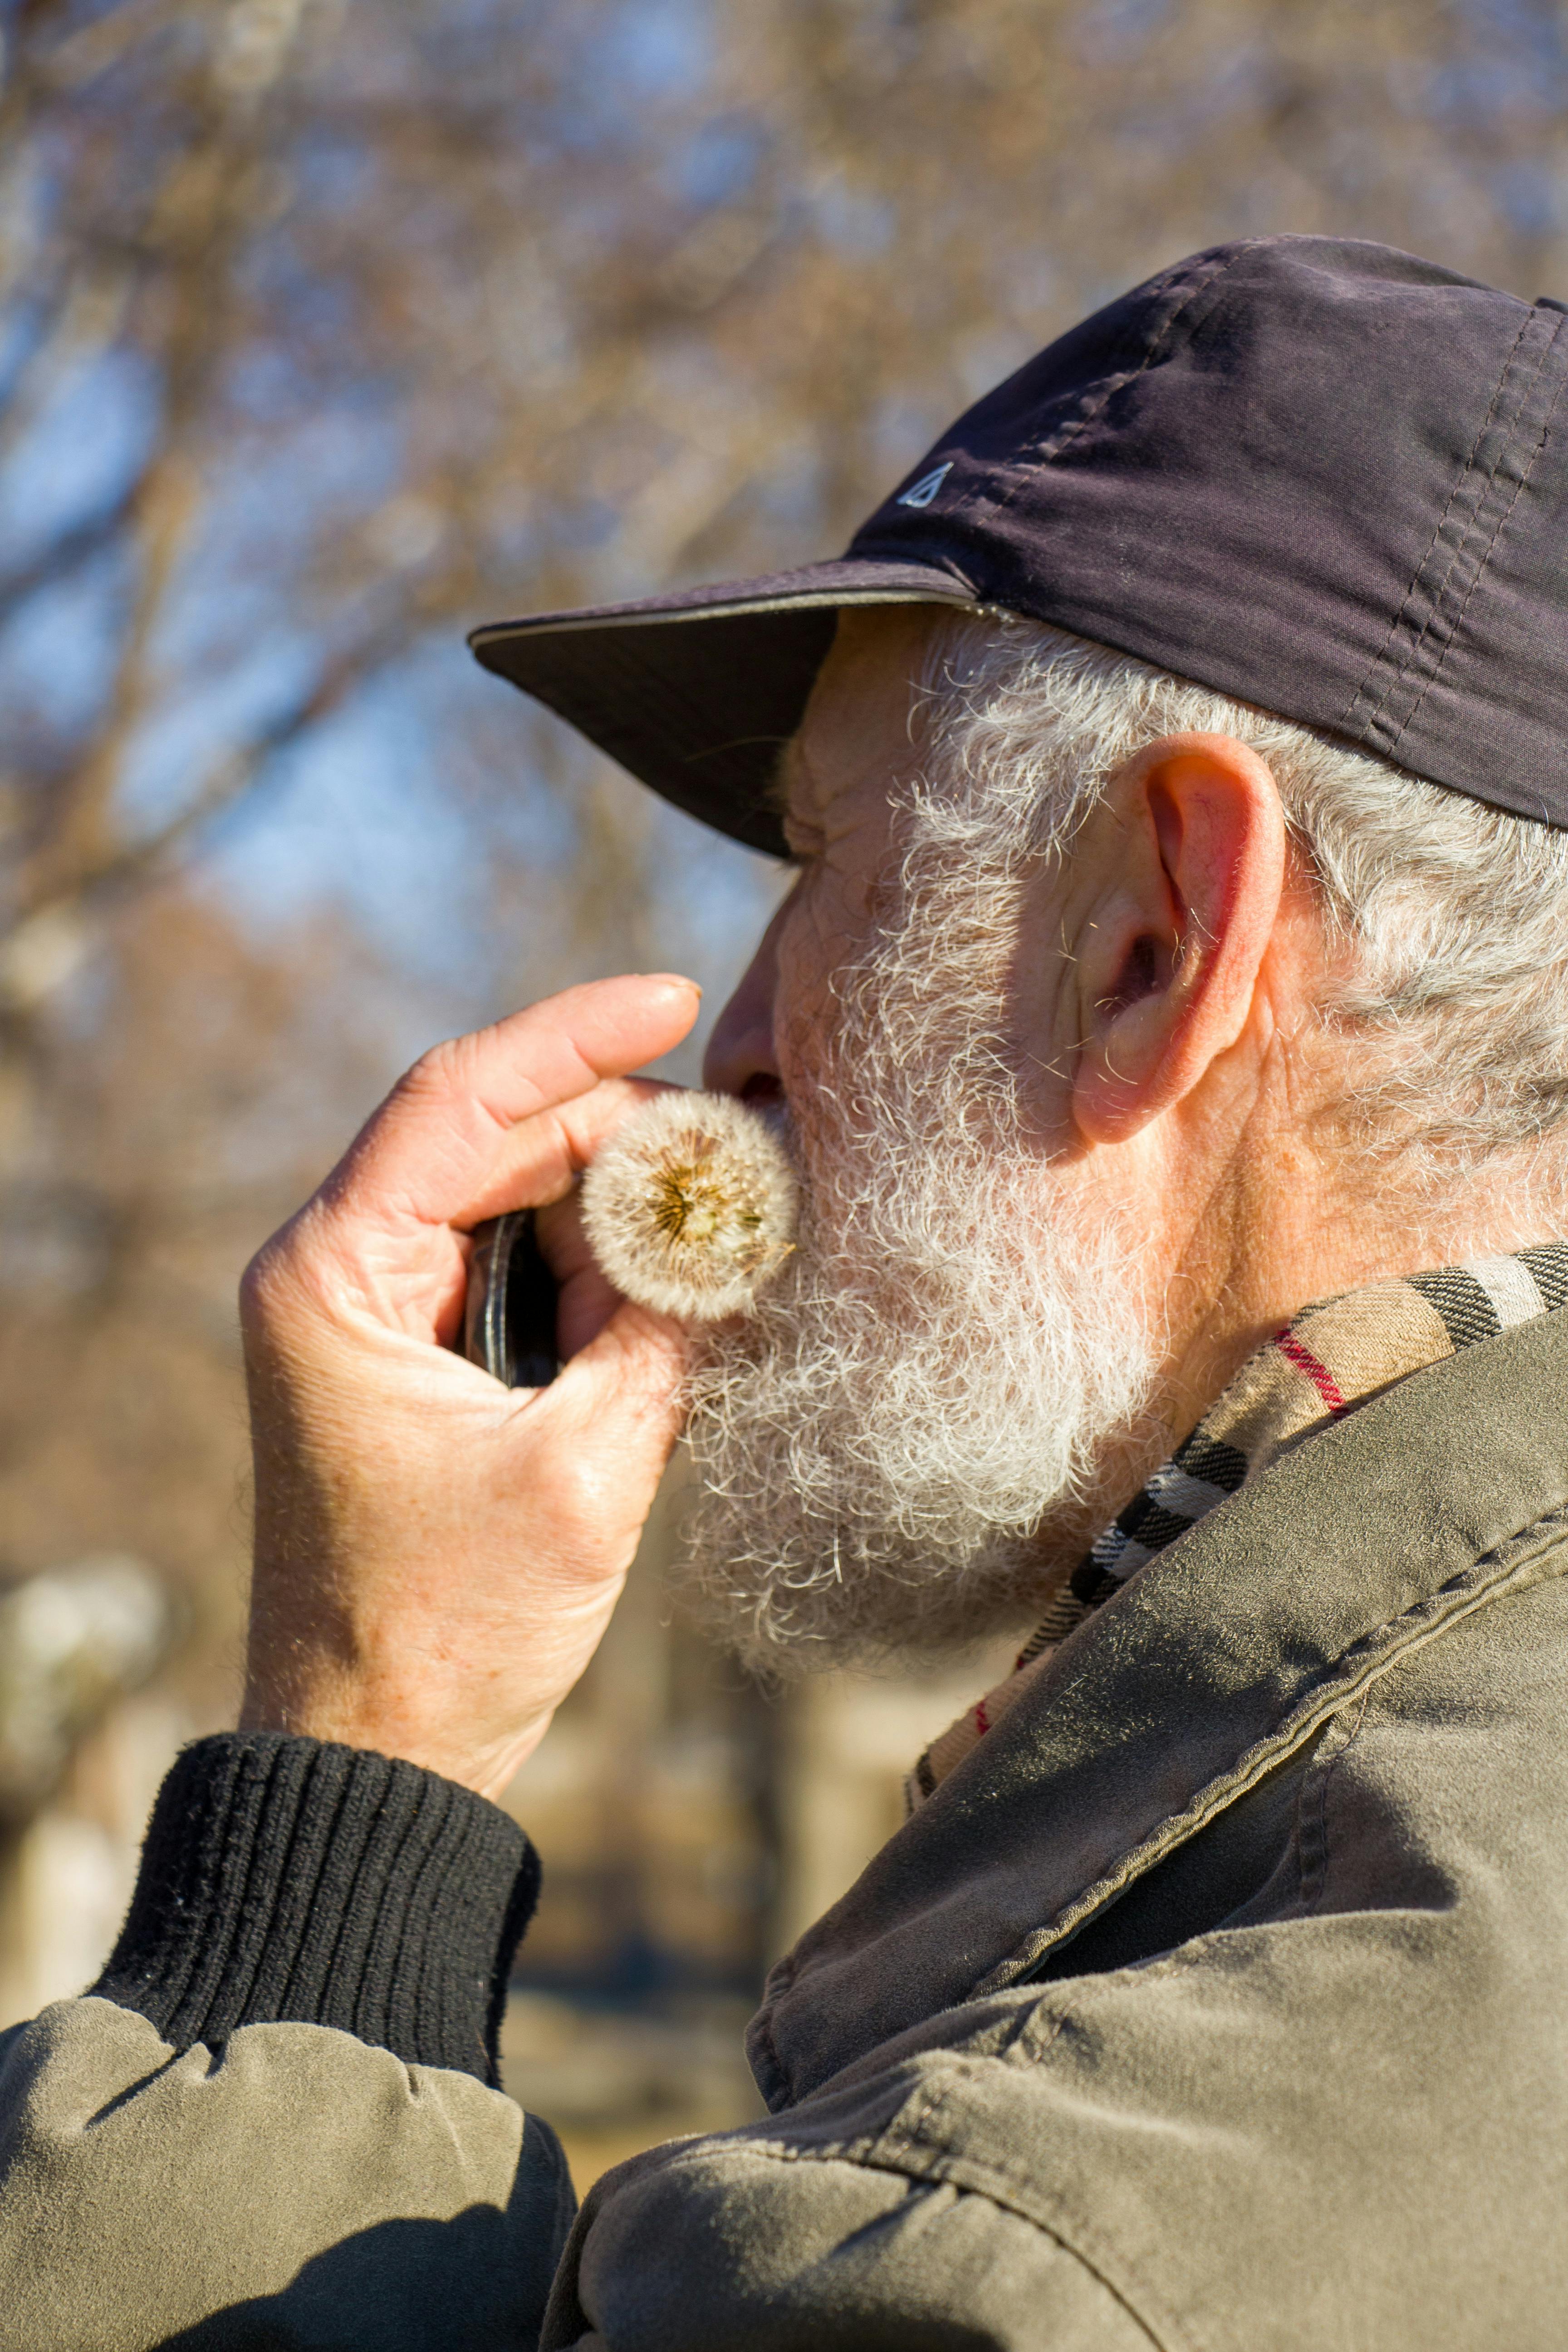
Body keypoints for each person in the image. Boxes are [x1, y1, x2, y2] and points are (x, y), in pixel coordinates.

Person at [4, 232, 1568, 2349]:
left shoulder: (1013, 2258)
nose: (734, 1041)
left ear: (1158, 947)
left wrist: (355, 1777)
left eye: (831, 859)